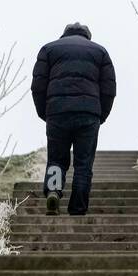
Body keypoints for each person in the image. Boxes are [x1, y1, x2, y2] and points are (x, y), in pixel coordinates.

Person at [30, 22, 116, 215]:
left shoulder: (49, 49)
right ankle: (77, 208)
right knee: (83, 163)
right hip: (88, 114)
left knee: (57, 159)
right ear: (88, 36)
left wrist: (45, 112)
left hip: (57, 112)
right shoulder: (100, 52)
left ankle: (53, 190)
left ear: (64, 34)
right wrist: (100, 115)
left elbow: (38, 85)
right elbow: (109, 89)